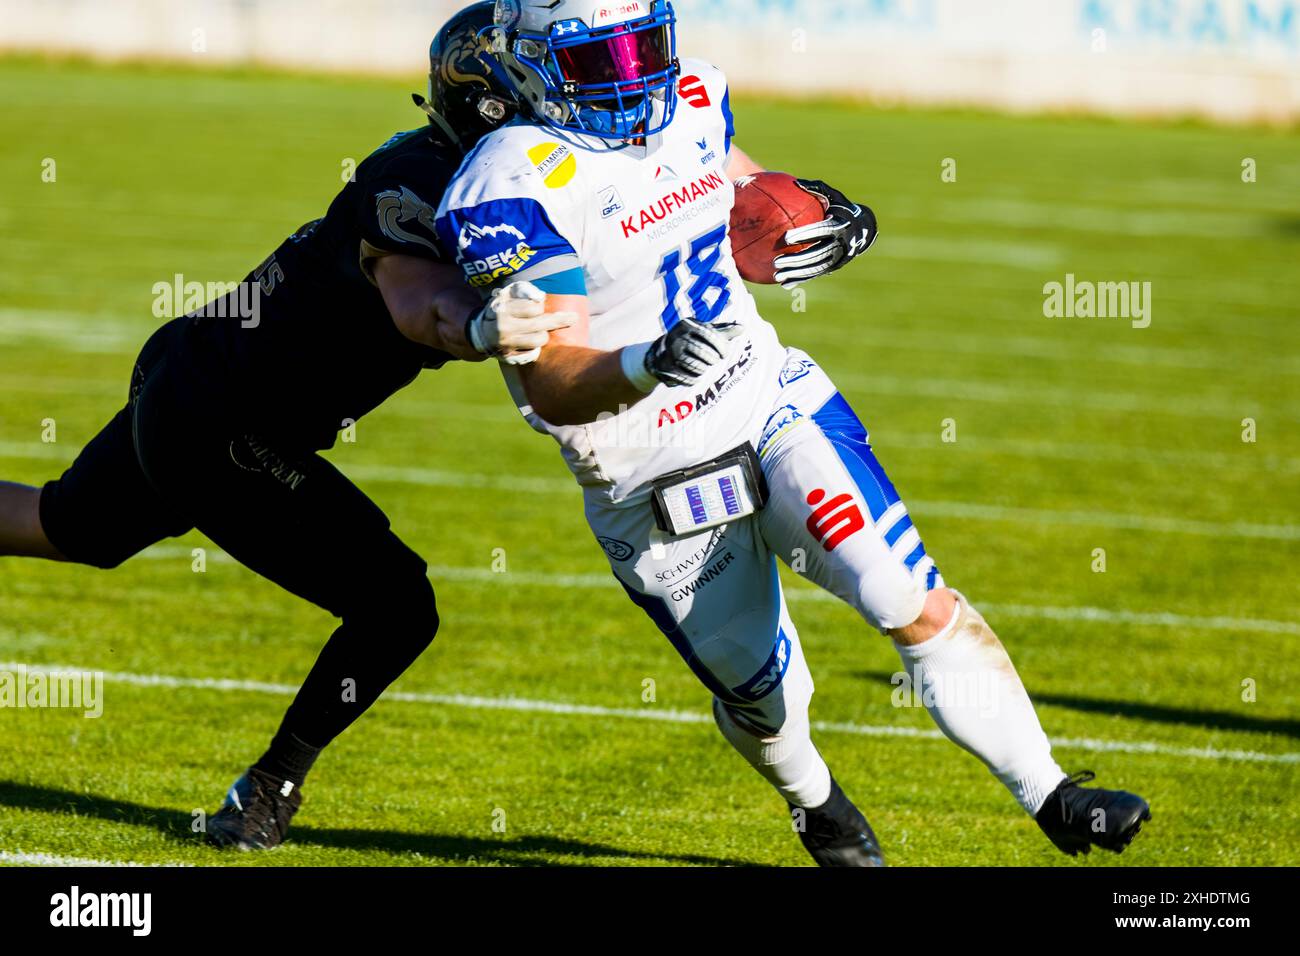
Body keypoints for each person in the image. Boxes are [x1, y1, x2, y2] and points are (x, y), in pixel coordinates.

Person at [433, 0, 1151, 865]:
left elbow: (742, 197)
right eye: (601, 62)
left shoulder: (694, 99)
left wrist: (806, 219)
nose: (636, 79)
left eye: (645, 48)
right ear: (532, 69)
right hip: (646, 471)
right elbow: (552, 381)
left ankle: (1054, 793)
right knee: (763, 694)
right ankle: (815, 802)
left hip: (765, 398)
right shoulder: (510, 181)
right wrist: (646, 362)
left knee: (904, 595)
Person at [0, 2, 567, 851]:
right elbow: (419, 303)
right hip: (222, 420)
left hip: (194, 376)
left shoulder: (479, 171)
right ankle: (266, 792)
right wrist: (480, 326)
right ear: (494, 99)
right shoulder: (417, 183)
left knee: (67, 526)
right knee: (398, 607)